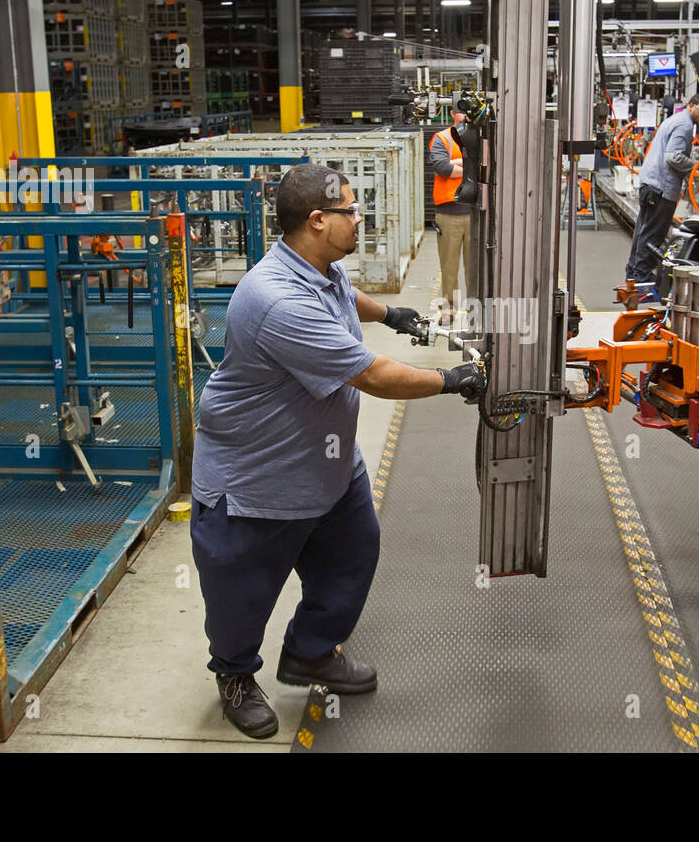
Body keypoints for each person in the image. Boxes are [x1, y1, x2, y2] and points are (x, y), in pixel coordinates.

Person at [189, 162, 486, 739]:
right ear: (318, 220)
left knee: (352, 553)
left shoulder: (316, 268)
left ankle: (310, 652)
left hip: (325, 460)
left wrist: (391, 313)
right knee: (242, 589)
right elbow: (374, 376)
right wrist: (454, 380)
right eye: (351, 211)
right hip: (260, 475)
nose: (360, 220)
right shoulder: (278, 299)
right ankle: (233, 674)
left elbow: (345, 294)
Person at [624, 94, 699, 284]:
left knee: (643, 230)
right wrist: (697, 166)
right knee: (654, 234)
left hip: (650, 182)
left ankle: (633, 273)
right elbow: (673, 157)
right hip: (661, 188)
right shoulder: (685, 125)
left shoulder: (674, 119)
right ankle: (642, 278)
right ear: (691, 106)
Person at [427, 108, 473, 325]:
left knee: (476, 267)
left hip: (476, 213)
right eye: (461, 112)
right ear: (453, 113)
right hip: (449, 213)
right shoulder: (442, 138)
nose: (465, 116)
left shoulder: (482, 139)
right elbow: (443, 168)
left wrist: (457, 164)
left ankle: (476, 309)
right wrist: (470, 168)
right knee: (449, 267)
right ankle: (448, 310)